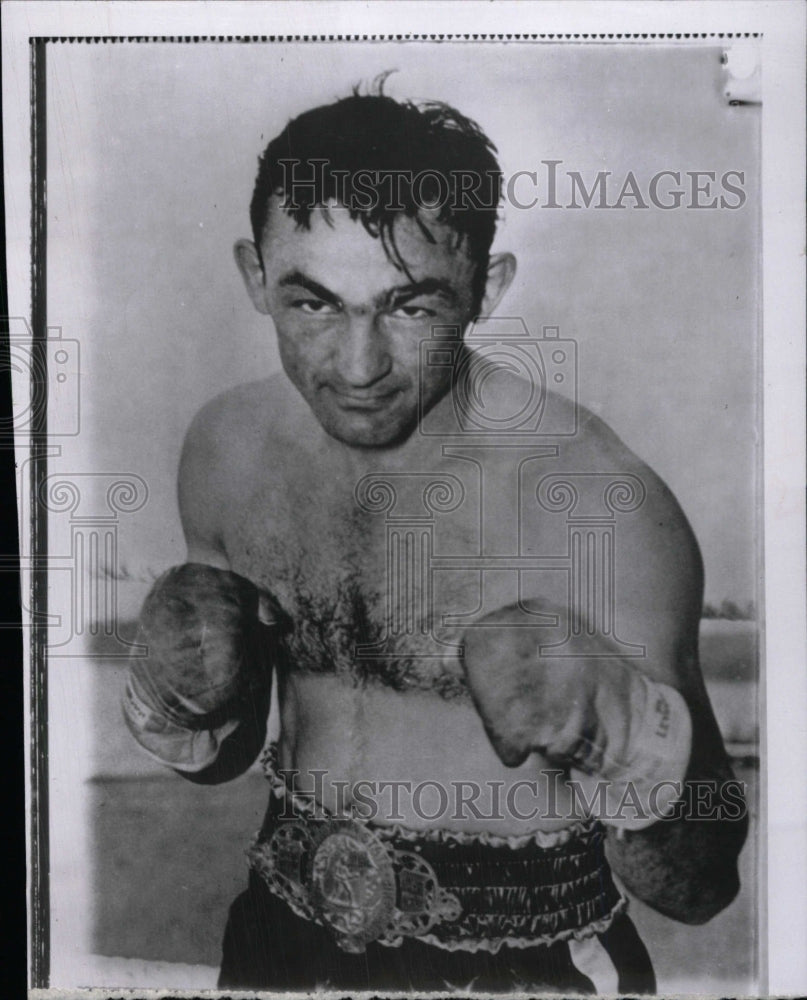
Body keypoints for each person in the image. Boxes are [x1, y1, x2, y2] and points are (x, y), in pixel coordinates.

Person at [122, 85, 747, 993]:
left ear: (486, 289)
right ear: (255, 277)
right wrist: (175, 700)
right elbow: (224, 758)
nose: (358, 366)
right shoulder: (228, 450)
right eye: (313, 305)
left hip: (529, 966)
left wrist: (618, 733)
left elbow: (700, 884)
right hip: (276, 941)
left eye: (410, 308)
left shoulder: (593, 499)